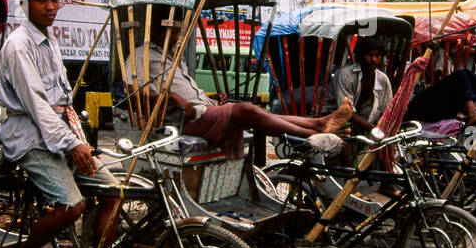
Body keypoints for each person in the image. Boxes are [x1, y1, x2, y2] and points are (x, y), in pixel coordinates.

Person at [0, 0, 138, 248]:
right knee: (72, 206)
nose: (49, 7)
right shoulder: (18, 46)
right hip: (30, 138)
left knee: (114, 192)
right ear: (25, 2)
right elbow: (37, 106)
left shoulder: (48, 40)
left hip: (60, 133)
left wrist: (80, 142)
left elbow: (61, 101)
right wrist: (73, 143)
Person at [130, 10, 355, 149]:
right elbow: (133, 90)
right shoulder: (142, 54)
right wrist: (171, 97)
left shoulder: (174, 56)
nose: (176, 37)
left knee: (261, 113)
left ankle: (319, 123)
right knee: (246, 110)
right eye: (172, 31)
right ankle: (314, 132)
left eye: (179, 32)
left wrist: (211, 98)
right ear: (157, 30)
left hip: (200, 111)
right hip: (177, 120)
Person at [323, 36, 392, 134]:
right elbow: (346, 111)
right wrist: (372, 128)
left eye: (378, 55)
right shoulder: (345, 74)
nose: (374, 59)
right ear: (361, 56)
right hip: (332, 116)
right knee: (349, 132)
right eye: (369, 55)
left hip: (363, 121)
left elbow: (386, 109)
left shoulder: (383, 79)